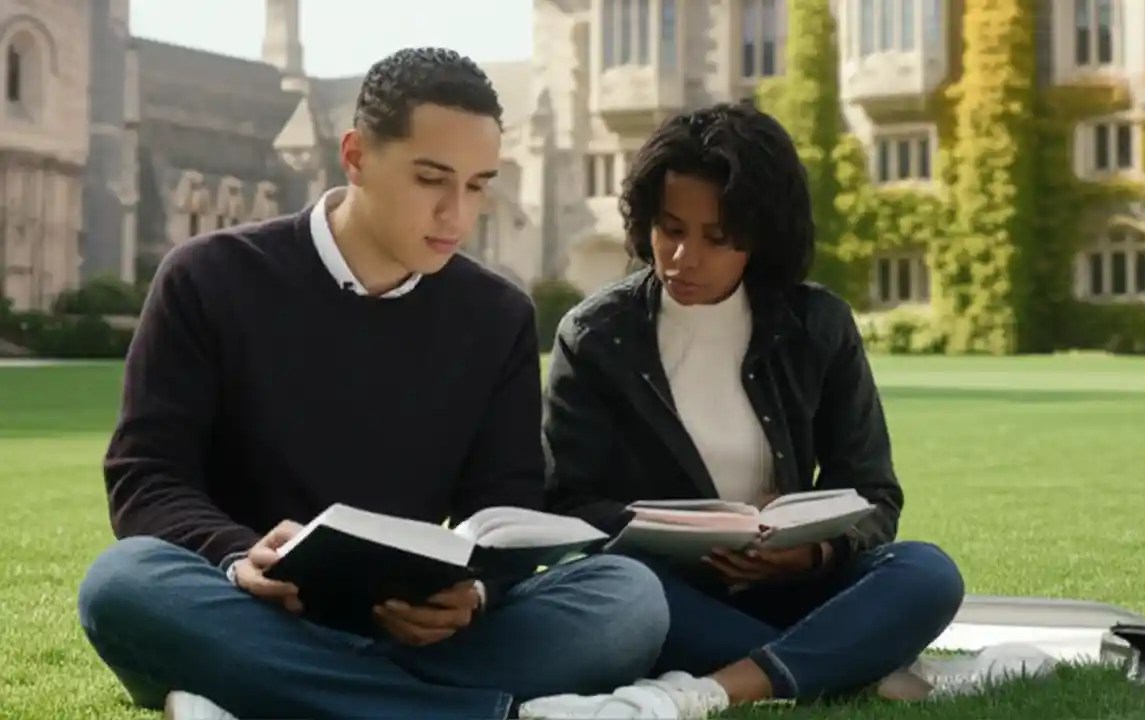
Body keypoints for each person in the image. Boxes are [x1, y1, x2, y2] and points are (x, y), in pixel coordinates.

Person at [76, 47, 668, 720]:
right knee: (122, 583)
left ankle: (270, 698)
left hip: (413, 633)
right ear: (355, 156)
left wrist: (474, 593)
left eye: (477, 185)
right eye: (430, 179)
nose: (456, 213)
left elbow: (503, 505)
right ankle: (464, 712)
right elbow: (146, 476)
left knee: (628, 597)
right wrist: (233, 553)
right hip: (251, 609)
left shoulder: (498, 316)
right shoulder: (207, 277)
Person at [518, 102, 965, 719]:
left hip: (799, 589)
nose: (682, 258)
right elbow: (566, 507)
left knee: (928, 573)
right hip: (668, 597)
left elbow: (872, 492)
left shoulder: (819, 326)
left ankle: (718, 687)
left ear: (760, 237)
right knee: (623, 602)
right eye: (670, 229)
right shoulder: (595, 337)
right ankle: (849, 669)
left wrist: (814, 555)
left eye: (716, 239)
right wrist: (683, 541)